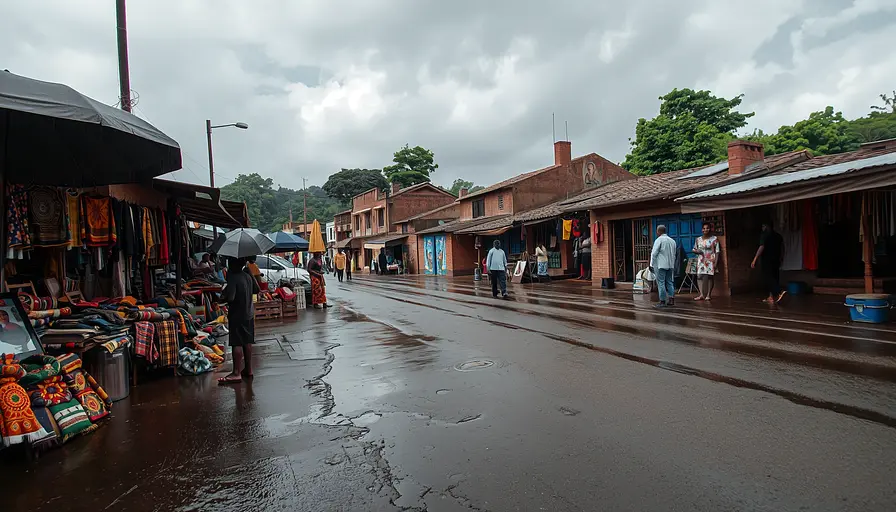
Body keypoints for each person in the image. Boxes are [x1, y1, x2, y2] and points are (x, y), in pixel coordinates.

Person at [218, 257, 260, 384]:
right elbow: (256, 289)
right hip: (249, 313)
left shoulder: (234, 277)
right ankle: (248, 369)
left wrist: (222, 297)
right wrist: (250, 274)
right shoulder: (247, 275)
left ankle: (236, 373)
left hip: (237, 313)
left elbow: (231, 297)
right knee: (247, 341)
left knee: (236, 342)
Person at [752, 221, 786, 304]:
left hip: (767, 260)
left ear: (767, 226)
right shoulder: (778, 236)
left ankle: (779, 291)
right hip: (776, 259)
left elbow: (762, 247)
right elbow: (782, 248)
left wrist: (755, 259)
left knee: (768, 277)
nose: (762, 228)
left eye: (763, 226)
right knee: (775, 276)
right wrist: (782, 257)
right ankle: (771, 297)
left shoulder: (764, 235)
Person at [649, 225, 677, 307]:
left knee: (660, 282)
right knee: (669, 282)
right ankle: (671, 299)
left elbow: (654, 253)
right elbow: (674, 254)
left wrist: (651, 264)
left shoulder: (658, 240)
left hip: (660, 265)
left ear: (658, 231)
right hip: (671, 265)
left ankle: (662, 301)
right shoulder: (672, 241)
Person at [693, 222, 721, 301]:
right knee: (699, 276)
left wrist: (716, 262)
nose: (706, 230)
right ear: (702, 229)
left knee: (710, 277)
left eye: (707, 228)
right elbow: (694, 248)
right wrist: (697, 251)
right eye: (704, 228)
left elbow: (717, 251)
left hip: (710, 260)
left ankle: (708, 294)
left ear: (710, 229)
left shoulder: (714, 239)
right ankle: (701, 294)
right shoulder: (698, 239)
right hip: (701, 260)